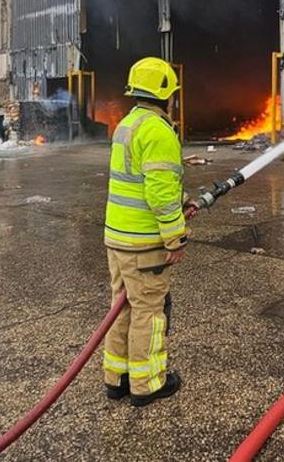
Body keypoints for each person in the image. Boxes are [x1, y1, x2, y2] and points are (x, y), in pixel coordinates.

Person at [102, 57, 199, 407]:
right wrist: (175, 238)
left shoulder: (127, 124)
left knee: (122, 307)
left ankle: (117, 378)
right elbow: (158, 193)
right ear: (167, 94)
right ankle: (148, 384)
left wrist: (183, 199)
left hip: (118, 237)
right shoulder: (159, 130)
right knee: (149, 311)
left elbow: (140, 181)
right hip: (143, 244)